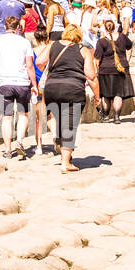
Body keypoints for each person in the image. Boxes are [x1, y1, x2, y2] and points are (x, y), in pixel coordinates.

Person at [42, 25, 97, 173]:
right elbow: (91, 76)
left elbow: (40, 62)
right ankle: (66, 162)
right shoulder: (83, 50)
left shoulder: (53, 45)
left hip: (52, 88)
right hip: (72, 89)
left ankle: (61, 149)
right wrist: (97, 96)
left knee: (60, 120)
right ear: (79, 36)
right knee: (70, 123)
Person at [0, 16, 37, 160]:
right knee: (23, 115)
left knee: (7, 118)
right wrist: (34, 84)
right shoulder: (25, 42)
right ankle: (20, 142)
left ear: (4, 27)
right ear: (18, 28)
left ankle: (8, 149)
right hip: (22, 83)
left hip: (5, 83)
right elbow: (29, 65)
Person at [93, 18, 132, 122]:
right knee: (118, 94)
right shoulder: (122, 37)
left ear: (105, 29)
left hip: (105, 69)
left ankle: (105, 116)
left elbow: (97, 59)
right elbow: (129, 46)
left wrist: (96, 70)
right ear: (115, 27)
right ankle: (116, 117)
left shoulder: (101, 41)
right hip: (121, 68)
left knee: (105, 94)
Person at [30, 24, 52, 155]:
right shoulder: (52, 50)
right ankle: (56, 139)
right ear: (47, 37)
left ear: (36, 38)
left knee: (38, 118)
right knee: (50, 115)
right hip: (51, 84)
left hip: (38, 86)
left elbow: (30, 68)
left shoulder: (32, 51)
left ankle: (39, 147)